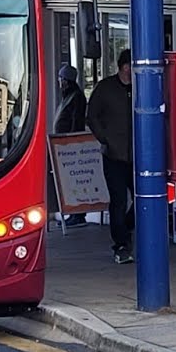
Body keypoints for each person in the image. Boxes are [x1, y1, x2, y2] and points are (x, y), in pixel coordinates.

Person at [86, 49, 134, 264]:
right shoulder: (105, 88)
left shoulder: (141, 87)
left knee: (144, 197)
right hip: (113, 155)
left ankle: (125, 227)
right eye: (132, 67)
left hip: (139, 155)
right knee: (118, 200)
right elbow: (92, 116)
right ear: (124, 67)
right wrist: (105, 139)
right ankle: (121, 244)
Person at [53, 64, 89, 228]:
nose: (59, 82)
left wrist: (72, 140)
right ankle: (74, 213)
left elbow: (76, 121)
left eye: (61, 79)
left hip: (70, 147)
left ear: (66, 81)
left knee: (75, 181)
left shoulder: (76, 97)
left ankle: (78, 214)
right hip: (64, 146)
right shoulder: (68, 96)